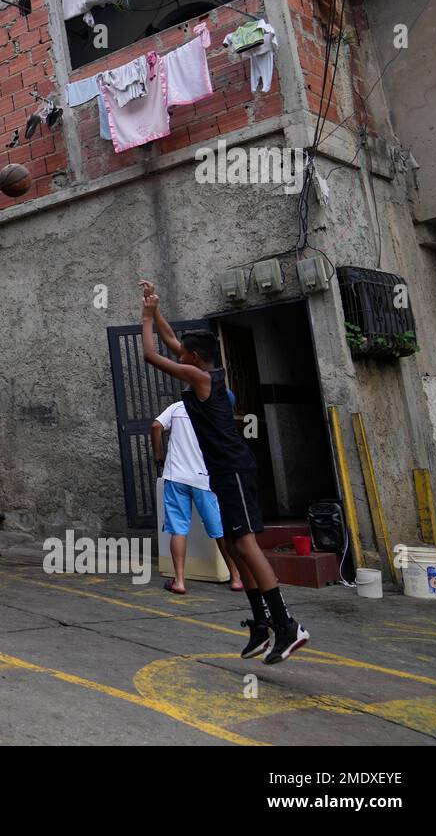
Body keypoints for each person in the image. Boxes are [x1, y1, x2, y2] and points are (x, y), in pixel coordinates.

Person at [140, 280, 309, 664]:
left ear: (196, 358)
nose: (180, 355)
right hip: (221, 472)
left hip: (233, 470)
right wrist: (157, 306)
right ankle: (262, 623)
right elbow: (170, 341)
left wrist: (145, 318)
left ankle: (287, 625)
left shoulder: (203, 380)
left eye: (185, 354)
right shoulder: (203, 370)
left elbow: (152, 354)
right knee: (233, 544)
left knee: (246, 544)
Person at [151, 391, 244, 594]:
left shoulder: (177, 408)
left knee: (179, 529)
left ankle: (180, 582)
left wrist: (159, 453)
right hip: (204, 479)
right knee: (219, 530)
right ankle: (236, 578)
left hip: (176, 477)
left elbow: (156, 426)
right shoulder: (217, 417)